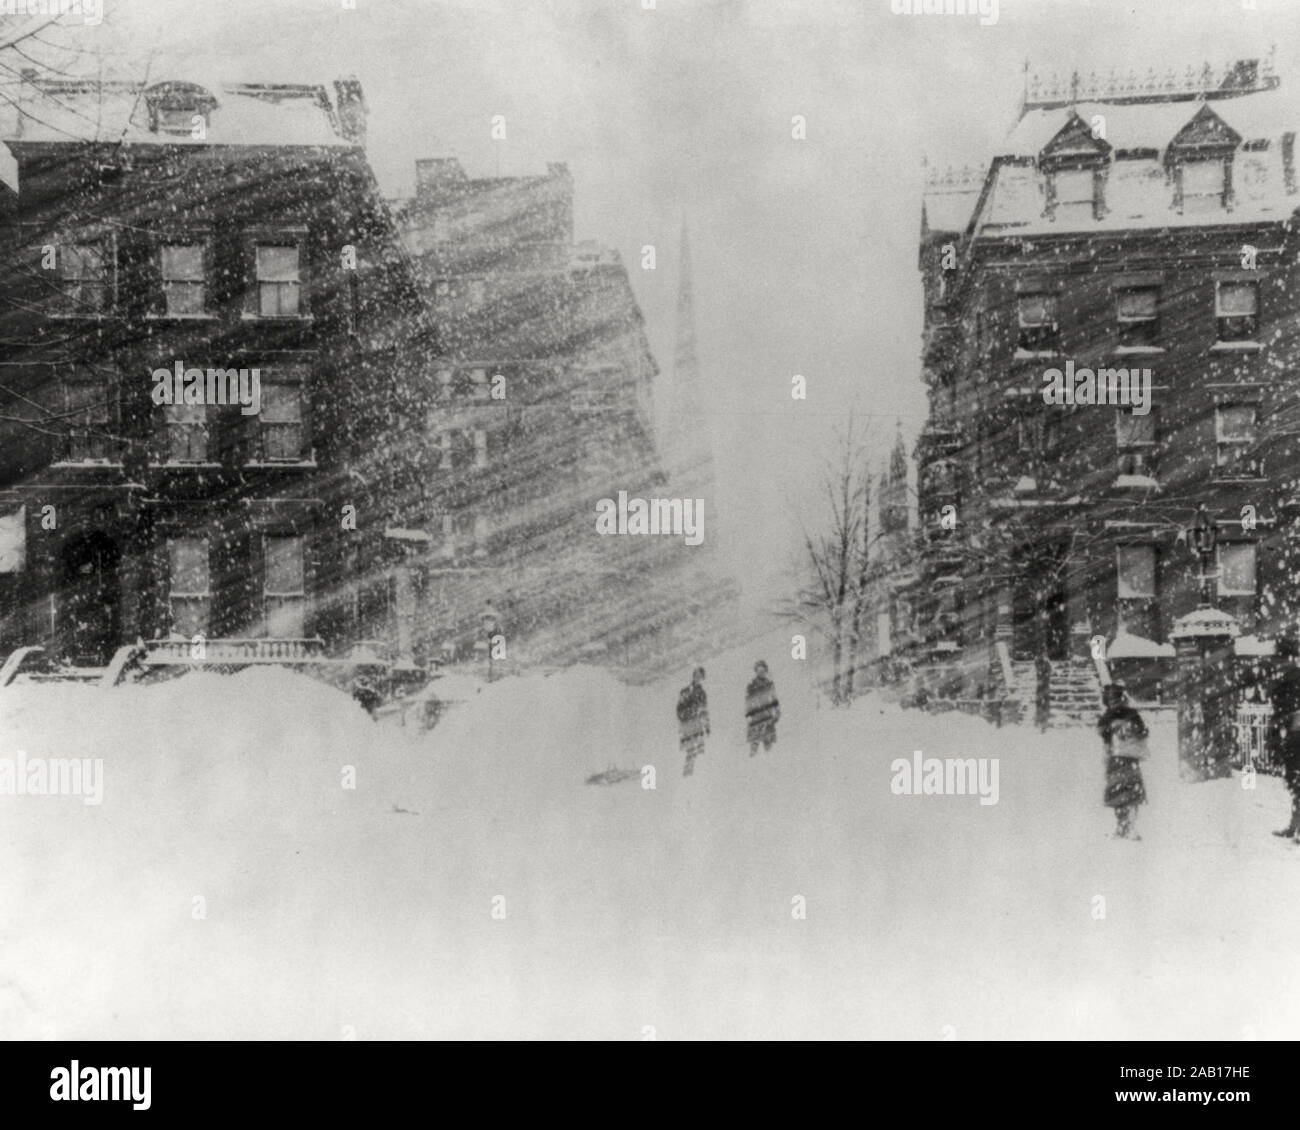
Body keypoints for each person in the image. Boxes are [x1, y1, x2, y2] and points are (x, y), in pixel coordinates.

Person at [1098, 681, 1148, 840]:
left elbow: (1104, 736)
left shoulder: (1108, 717)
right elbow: (1143, 732)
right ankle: (1128, 825)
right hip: (1128, 758)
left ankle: (1124, 825)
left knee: (1121, 794)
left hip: (1119, 757)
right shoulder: (1131, 714)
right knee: (1130, 794)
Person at [1269, 632, 1300, 839]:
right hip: (1290, 735)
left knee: (1297, 781)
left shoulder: (1291, 678)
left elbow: (1285, 710)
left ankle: (1296, 827)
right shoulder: (1283, 678)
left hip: (1295, 735)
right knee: (1295, 782)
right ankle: (1295, 825)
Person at [677, 666, 709, 777]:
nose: (698, 678)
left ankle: (694, 774)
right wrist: (686, 717)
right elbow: (679, 709)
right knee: (691, 750)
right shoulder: (685, 691)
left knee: (698, 750)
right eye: (697, 676)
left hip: (697, 724)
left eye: (700, 677)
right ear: (693, 676)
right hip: (688, 724)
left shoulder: (702, 693)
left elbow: (704, 710)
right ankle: (688, 773)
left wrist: (707, 725)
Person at [745, 660, 781, 756]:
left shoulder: (769, 684)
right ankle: (752, 761)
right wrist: (749, 715)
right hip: (756, 717)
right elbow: (748, 701)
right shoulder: (752, 685)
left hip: (768, 716)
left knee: (768, 744)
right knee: (754, 744)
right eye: (759, 670)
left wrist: (777, 712)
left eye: (763, 670)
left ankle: (769, 761)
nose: (761, 672)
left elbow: (774, 699)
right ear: (756, 671)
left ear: (765, 671)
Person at [1034, 653, 1052, 732]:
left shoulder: (1046, 664)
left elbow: (1049, 672)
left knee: (1045, 705)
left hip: (1045, 687)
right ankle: (1040, 723)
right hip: (1040, 688)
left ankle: (1043, 725)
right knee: (1039, 705)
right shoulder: (1038, 663)